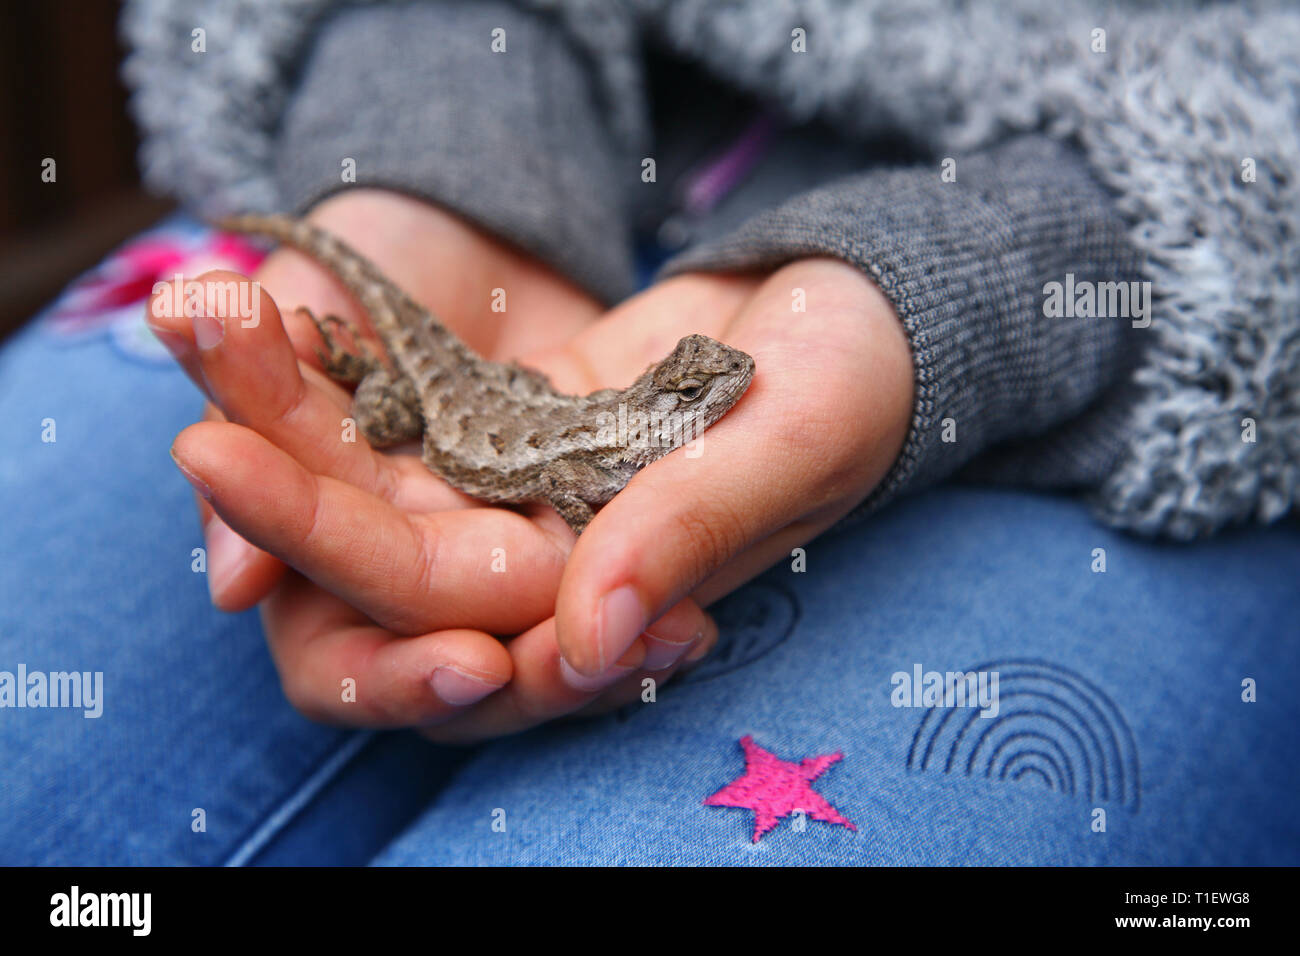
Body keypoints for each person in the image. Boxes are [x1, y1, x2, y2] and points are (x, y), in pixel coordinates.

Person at [1, 0, 1295, 865]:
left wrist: (986, 281)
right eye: (700, 390)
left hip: (1181, 327)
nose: (716, 394)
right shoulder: (610, 441)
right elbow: (562, 458)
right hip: (460, 147)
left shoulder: (632, 435)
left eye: (708, 389)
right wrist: (425, 156)